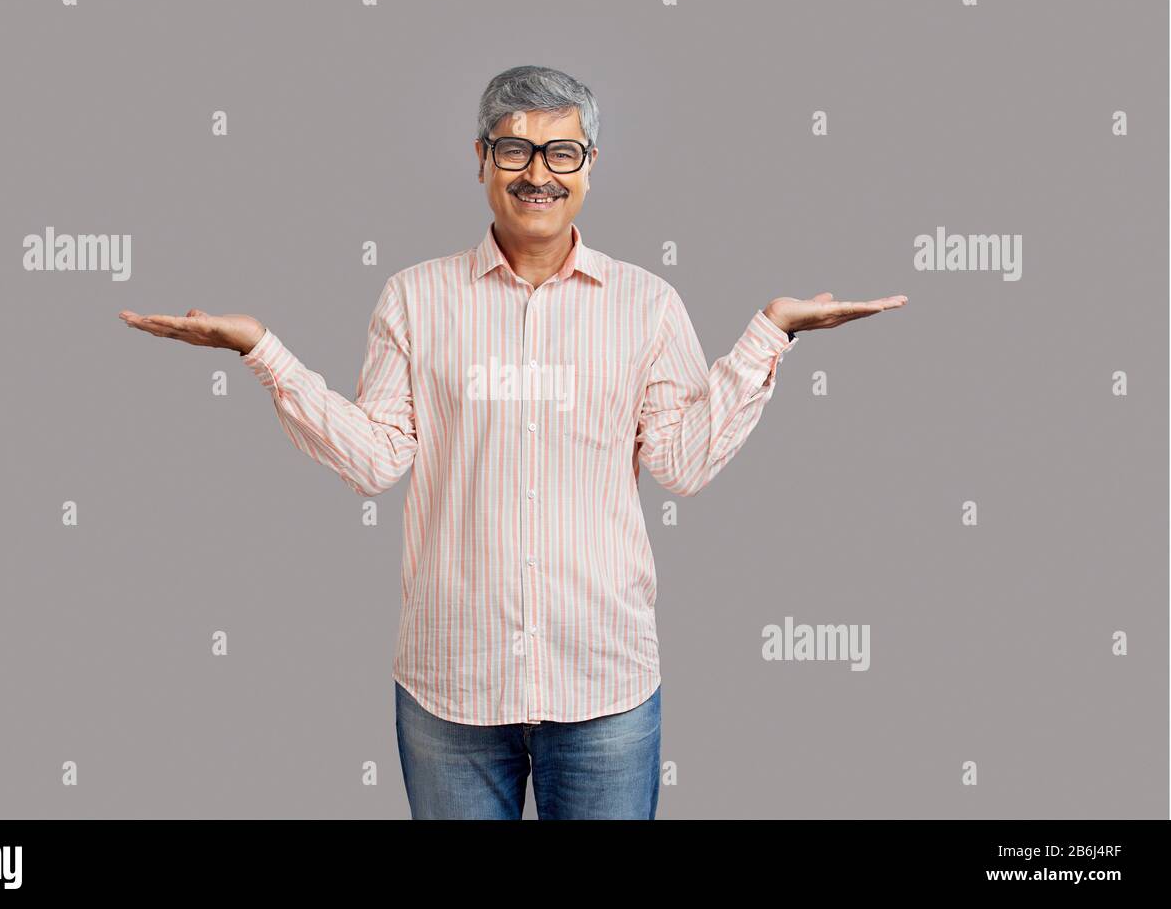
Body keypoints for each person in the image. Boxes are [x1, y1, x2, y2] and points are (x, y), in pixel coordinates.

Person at [119, 65, 906, 819]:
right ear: (481, 160)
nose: (539, 173)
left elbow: (684, 463)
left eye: (562, 151)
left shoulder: (648, 304)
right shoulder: (415, 298)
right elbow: (374, 459)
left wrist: (771, 334)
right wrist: (263, 351)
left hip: (604, 680)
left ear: (590, 166)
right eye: (514, 149)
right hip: (450, 685)